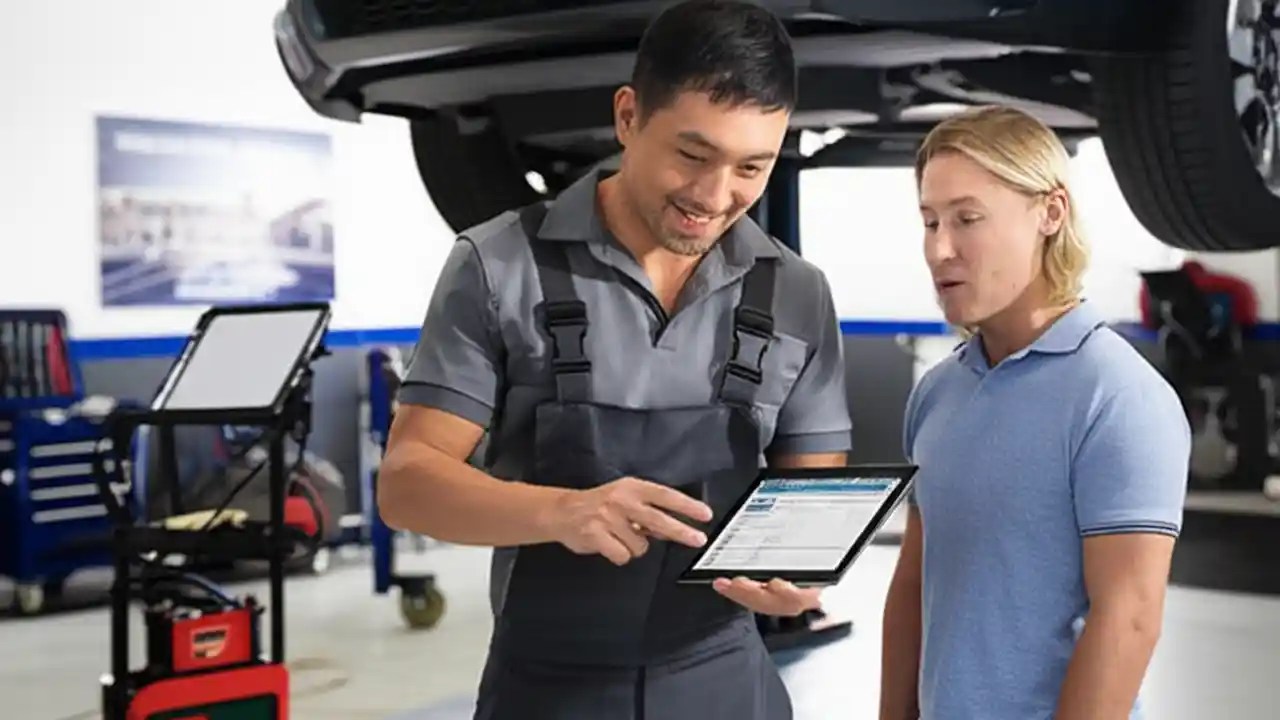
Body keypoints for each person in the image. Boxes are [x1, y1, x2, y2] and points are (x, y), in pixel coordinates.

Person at [378, 2, 853, 718]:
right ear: (628, 116)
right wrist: (562, 511)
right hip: (547, 692)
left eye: (751, 167)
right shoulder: (498, 265)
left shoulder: (797, 293)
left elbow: (811, 508)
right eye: (692, 156)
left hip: (725, 687)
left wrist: (800, 577)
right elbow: (408, 484)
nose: (715, 196)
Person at [879, 106, 1191, 720]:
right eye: (929, 221)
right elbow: (915, 584)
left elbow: (1127, 620)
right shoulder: (937, 392)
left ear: (1051, 213)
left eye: (968, 219)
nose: (940, 249)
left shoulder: (1119, 397)